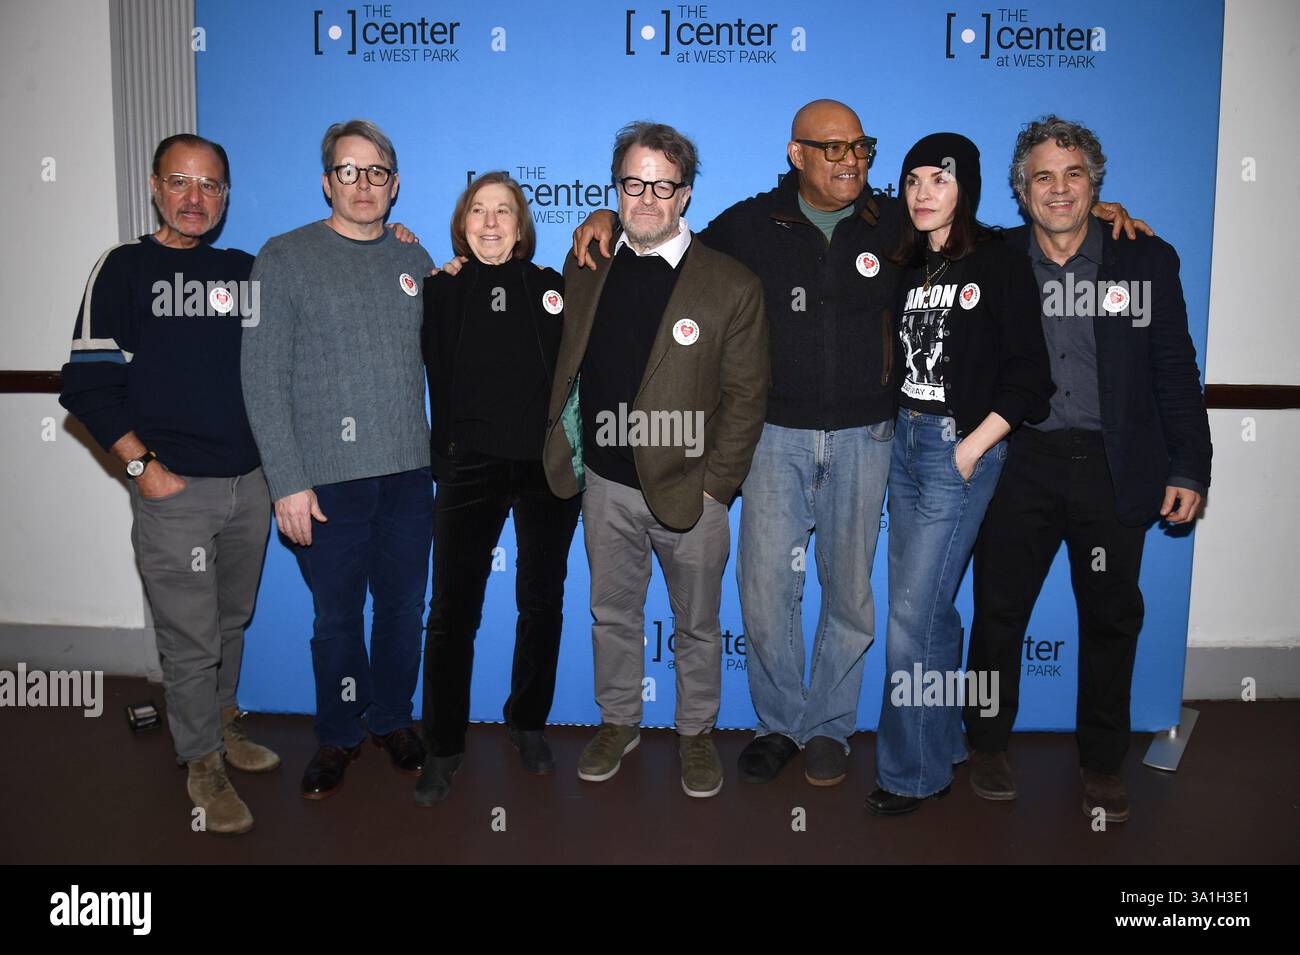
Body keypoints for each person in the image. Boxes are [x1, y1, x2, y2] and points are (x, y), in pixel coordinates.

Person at [572, 100, 1142, 788]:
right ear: (796, 154)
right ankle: (780, 722)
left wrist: (1096, 216)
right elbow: (666, 238)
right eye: (834, 148)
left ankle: (831, 727)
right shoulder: (750, 224)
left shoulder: (896, 217)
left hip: (873, 437)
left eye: (861, 148)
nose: (852, 161)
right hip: (773, 439)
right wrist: (605, 214)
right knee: (764, 592)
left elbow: (982, 235)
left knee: (850, 595)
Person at [963, 116, 1212, 823]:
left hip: (1112, 467)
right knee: (998, 612)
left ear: (1096, 182)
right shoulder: (996, 258)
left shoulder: (1145, 259)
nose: (1060, 189)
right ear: (1022, 190)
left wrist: (1190, 465)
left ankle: (1103, 762)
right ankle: (986, 743)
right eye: (1043, 175)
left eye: (1074, 174)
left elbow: (1174, 369)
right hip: (1021, 464)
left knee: (1111, 618)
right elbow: (913, 225)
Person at [59, 133, 277, 835]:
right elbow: (86, 383)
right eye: (180, 183)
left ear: (225, 196)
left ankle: (219, 724)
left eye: (210, 185)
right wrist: (140, 468)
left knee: (230, 622)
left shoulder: (244, 271)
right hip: (175, 492)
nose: (194, 198)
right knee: (189, 637)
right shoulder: (123, 268)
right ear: (156, 187)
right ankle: (201, 763)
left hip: (252, 485)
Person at [544, 121, 769, 798]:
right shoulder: (588, 263)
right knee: (612, 616)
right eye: (632, 184)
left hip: (689, 494)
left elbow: (746, 395)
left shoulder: (731, 285)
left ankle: (697, 734)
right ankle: (619, 721)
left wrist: (717, 490)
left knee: (698, 626)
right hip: (605, 488)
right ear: (616, 189)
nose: (646, 198)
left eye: (661, 185)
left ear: (685, 194)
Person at [241, 119, 435, 800]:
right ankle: (338, 732)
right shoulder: (284, 256)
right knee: (336, 619)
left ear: (395, 184)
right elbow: (262, 378)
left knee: (406, 609)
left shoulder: (414, 261)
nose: (363, 184)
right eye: (348, 171)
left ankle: (391, 718)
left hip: (410, 474)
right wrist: (287, 482)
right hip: (325, 484)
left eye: (376, 171)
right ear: (326, 180)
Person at [866, 133, 1053, 816]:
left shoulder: (999, 262)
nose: (922, 193)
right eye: (912, 180)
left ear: (964, 188)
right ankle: (941, 742)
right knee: (934, 616)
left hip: (959, 449)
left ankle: (909, 774)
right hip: (903, 446)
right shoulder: (906, 261)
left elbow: (1032, 373)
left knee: (910, 618)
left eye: (938, 181)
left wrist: (973, 445)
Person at [413, 173, 581, 805]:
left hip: (545, 470)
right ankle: (444, 745)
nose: (489, 223)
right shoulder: (440, 290)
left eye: (502, 211)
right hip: (468, 467)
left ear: (520, 224)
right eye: (477, 211)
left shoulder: (551, 290)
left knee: (541, 603)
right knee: (452, 612)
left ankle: (528, 722)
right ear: (462, 223)